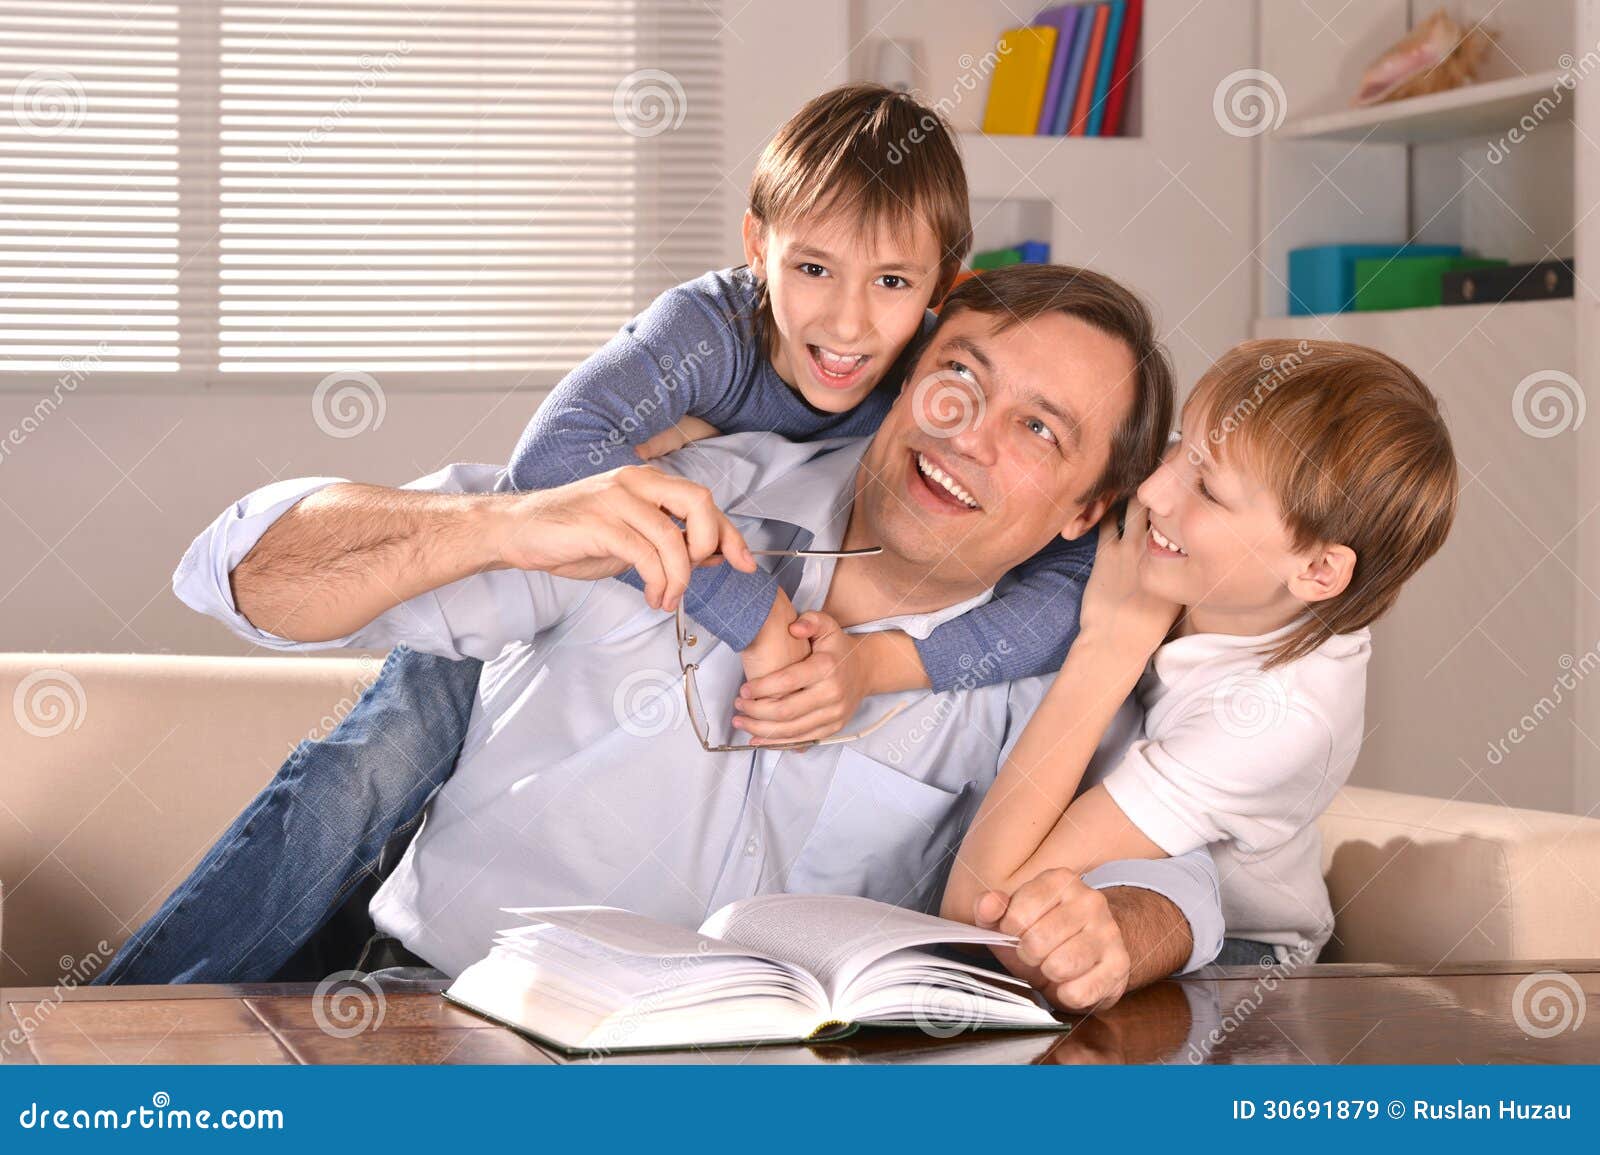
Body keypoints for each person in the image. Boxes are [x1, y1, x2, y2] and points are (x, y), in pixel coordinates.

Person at [97, 85, 1111, 985]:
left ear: (941, 287)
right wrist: (749, 616)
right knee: (366, 768)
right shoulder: (706, 338)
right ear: (756, 248)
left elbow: (1084, 584)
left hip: (746, 1057)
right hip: (566, 580)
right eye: (812, 269)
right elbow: (549, 471)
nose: (846, 328)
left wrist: (884, 666)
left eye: (891, 284)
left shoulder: (931, 406)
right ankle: (97, 1048)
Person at [944, 338, 1458, 992]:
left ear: (1318, 569)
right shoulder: (1211, 567)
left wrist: (1113, 644)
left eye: (1209, 488)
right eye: (1182, 442)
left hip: (1239, 962)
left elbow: (985, 909)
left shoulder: (1278, 718)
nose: (1155, 487)